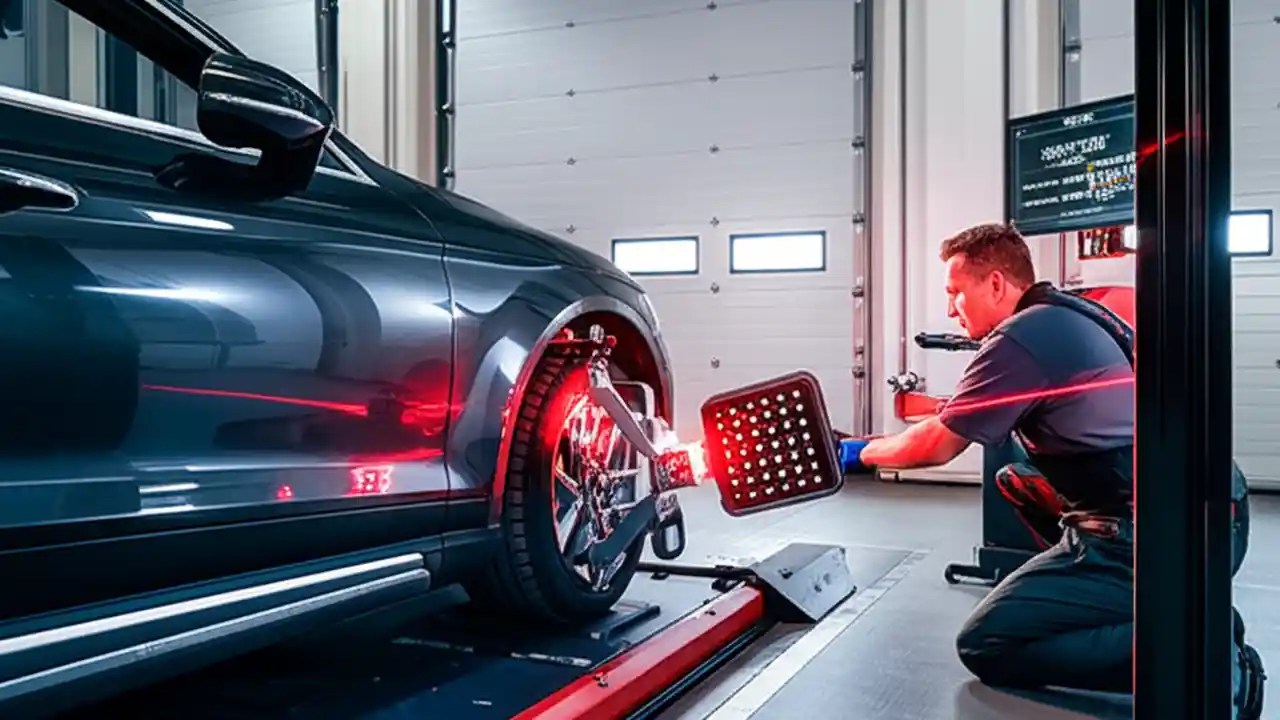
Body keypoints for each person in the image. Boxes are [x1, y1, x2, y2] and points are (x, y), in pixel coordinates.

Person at [840, 222, 1265, 717]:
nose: (949, 308)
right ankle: (1170, 605)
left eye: (955, 292)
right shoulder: (1069, 313)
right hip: (1208, 508)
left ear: (996, 284)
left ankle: (1204, 650)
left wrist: (853, 455)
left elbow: (936, 446)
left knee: (987, 644)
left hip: (1157, 536)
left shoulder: (1020, 338)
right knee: (1016, 481)